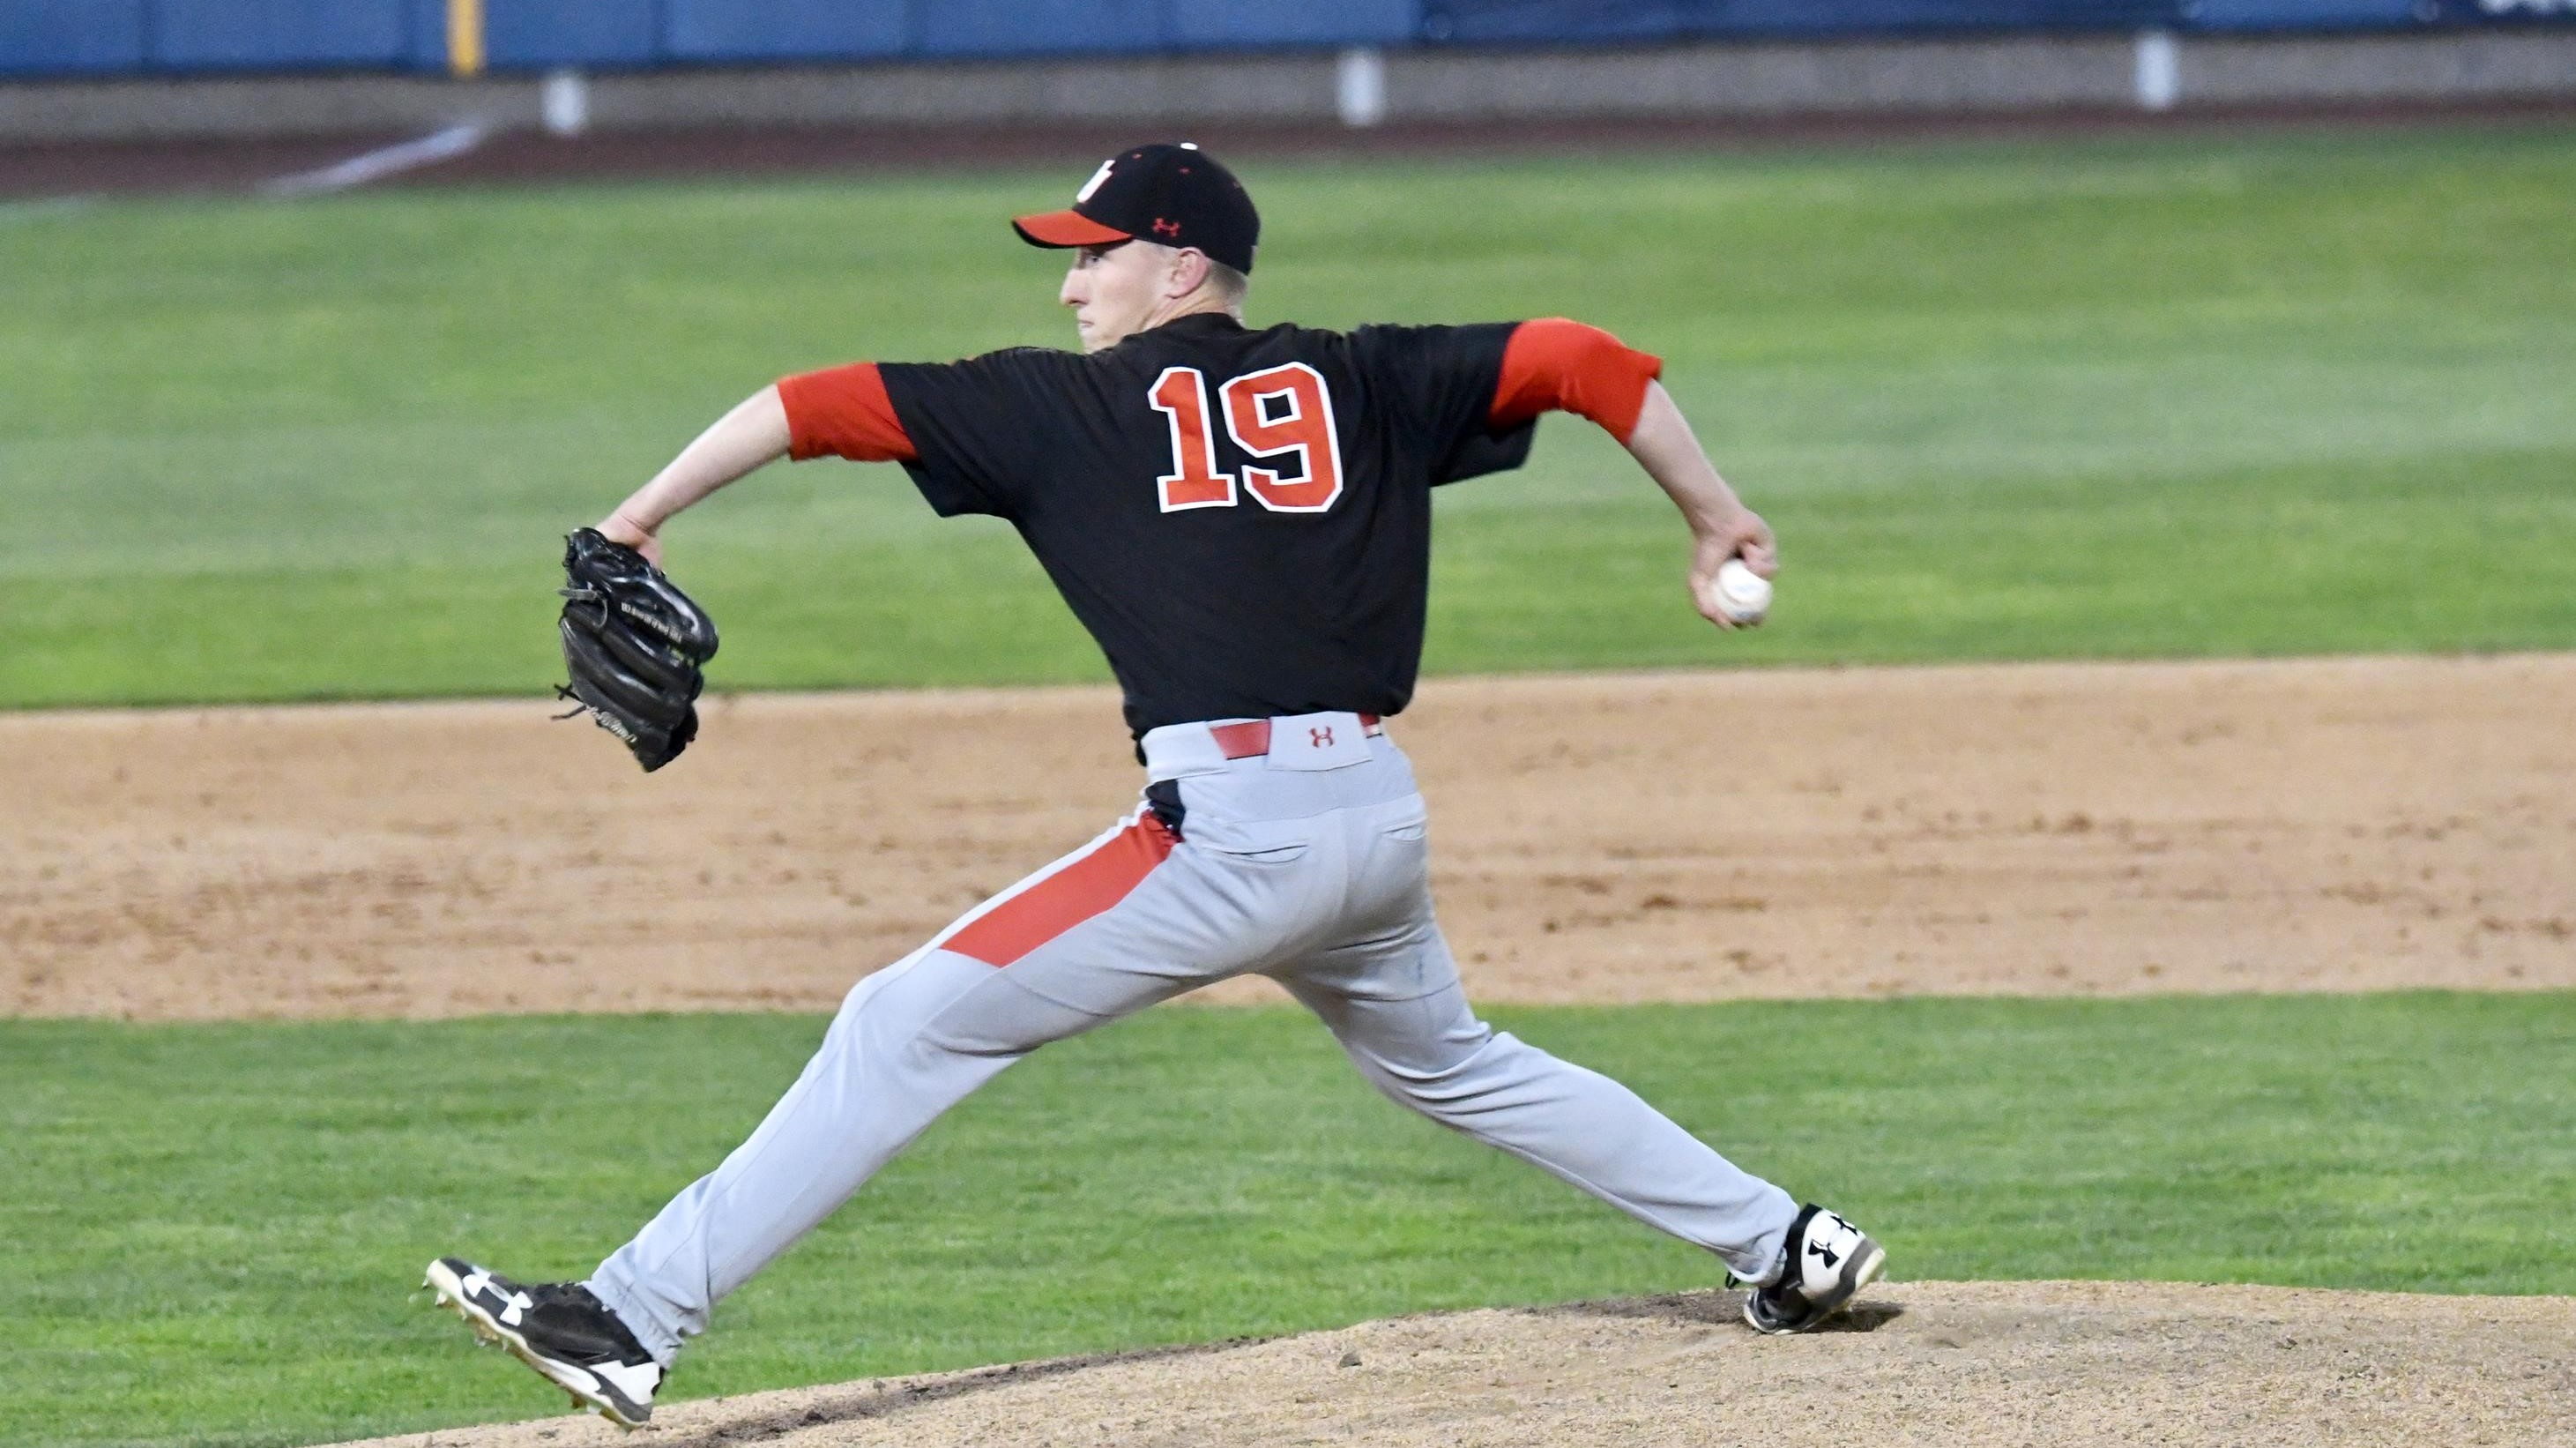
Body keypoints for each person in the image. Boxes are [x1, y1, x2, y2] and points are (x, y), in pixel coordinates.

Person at [425, 142, 1884, 1428]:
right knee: (1454, 1061)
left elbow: (806, 402)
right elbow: (1583, 355)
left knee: (903, 1016)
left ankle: (629, 1316)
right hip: (1371, 818)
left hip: (1228, 837)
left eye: (1092, 257)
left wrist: (635, 519)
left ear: (1178, 264)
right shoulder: (1369, 378)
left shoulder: (1064, 413)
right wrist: (1713, 517)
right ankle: (1785, 1241)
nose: (1071, 289)